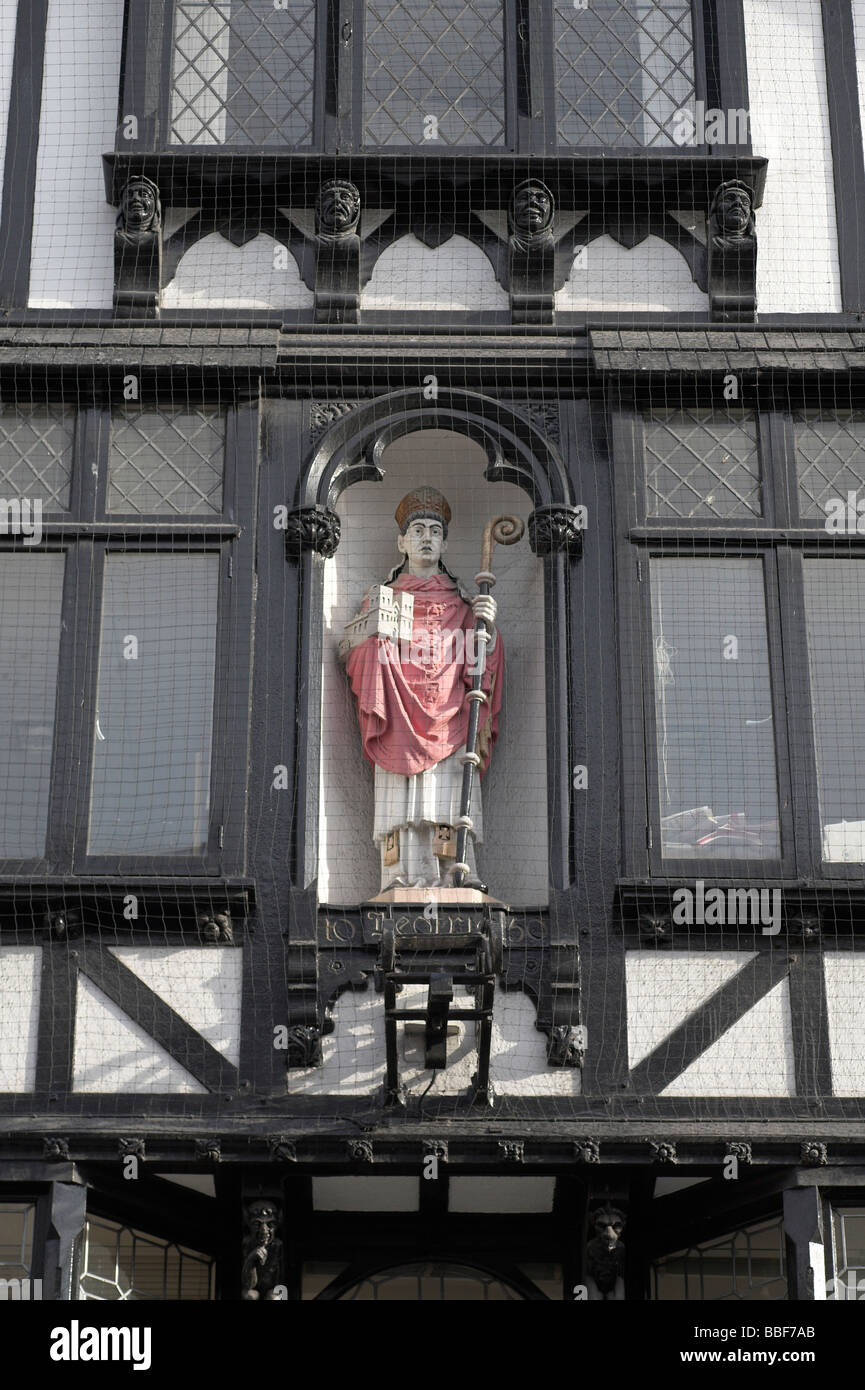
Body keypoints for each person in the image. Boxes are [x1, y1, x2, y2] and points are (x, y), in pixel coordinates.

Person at [344, 487, 503, 891]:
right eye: (417, 530)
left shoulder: (464, 602)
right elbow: (352, 654)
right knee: (402, 800)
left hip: (449, 719)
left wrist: (488, 626)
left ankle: (455, 875)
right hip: (397, 714)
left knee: (446, 796)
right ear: (401, 542)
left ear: (446, 541)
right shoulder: (380, 601)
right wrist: (374, 646)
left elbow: (483, 665)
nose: (426, 538)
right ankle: (398, 877)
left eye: (435, 530)